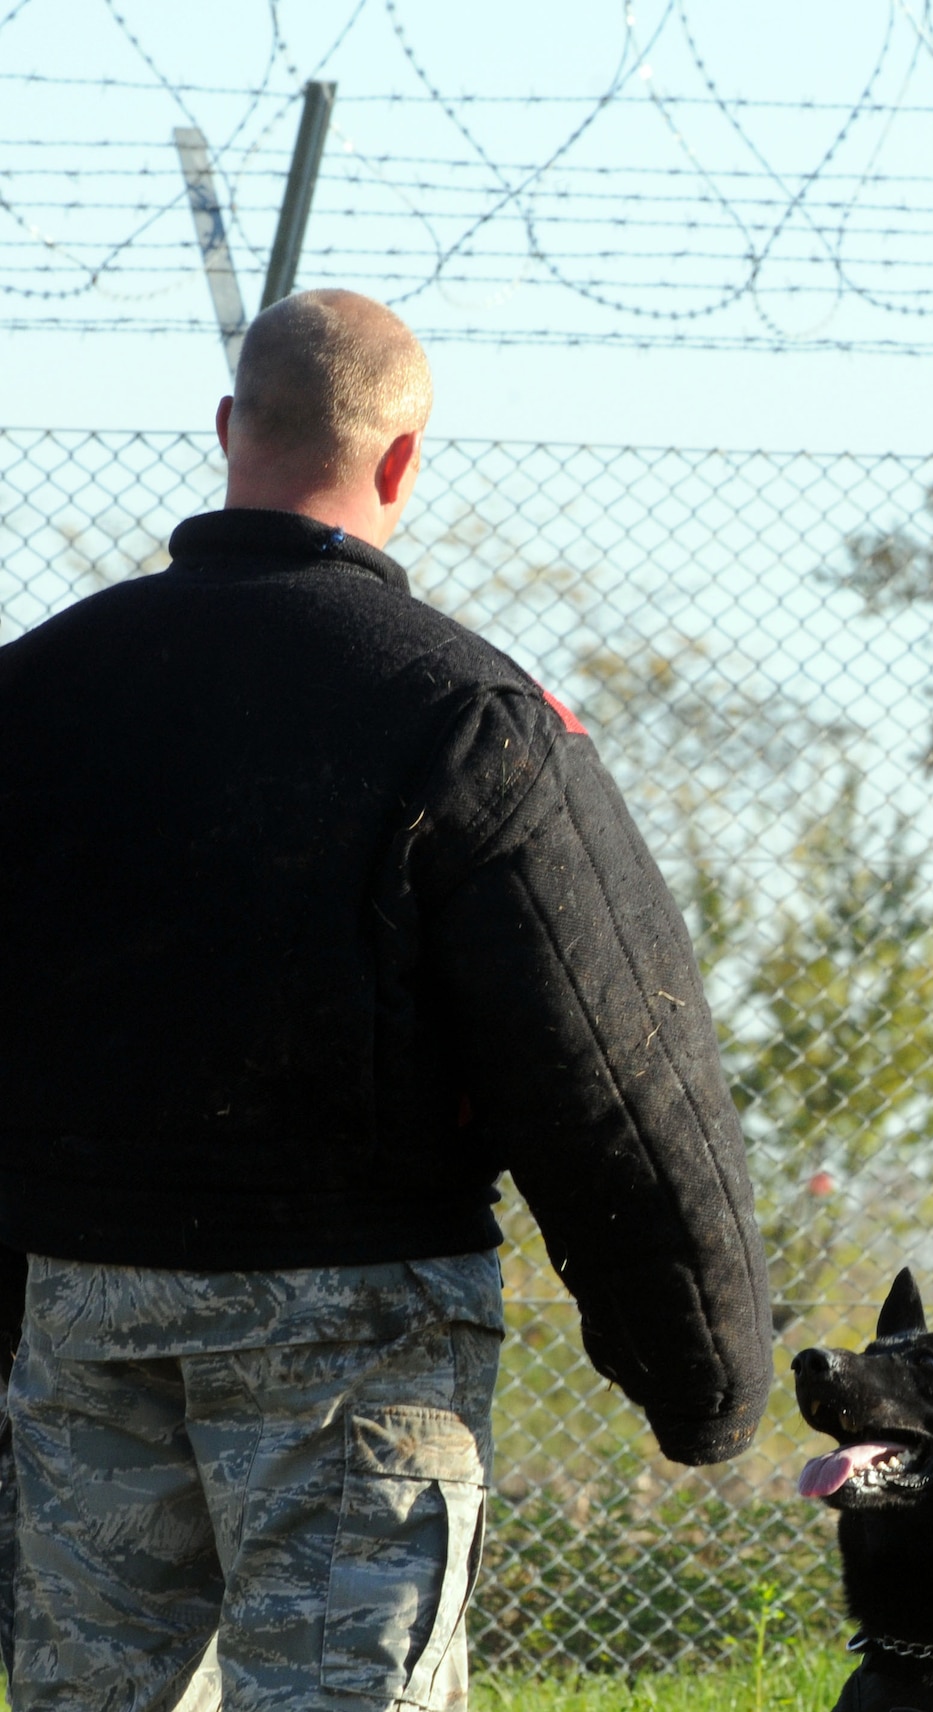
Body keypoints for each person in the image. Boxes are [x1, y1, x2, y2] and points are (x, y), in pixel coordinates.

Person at [0, 289, 772, 1712]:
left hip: (81, 1314)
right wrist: (705, 1372)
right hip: (354, 1333)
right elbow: (611, 1066)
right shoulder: (462, 715)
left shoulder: (34, 693)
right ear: (406, 462)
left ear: (230, 432)